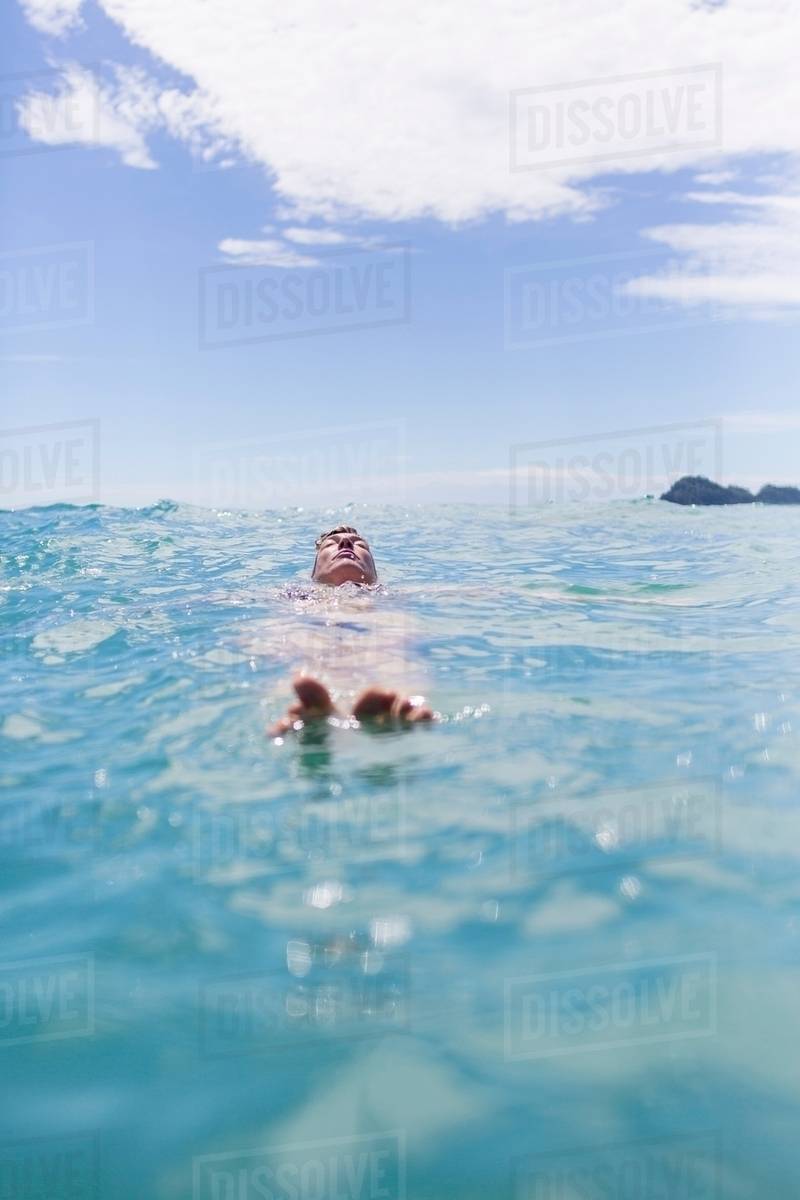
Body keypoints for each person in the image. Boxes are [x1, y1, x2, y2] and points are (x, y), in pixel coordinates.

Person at [269, 525, 434, 737]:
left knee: (392, 635)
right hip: (309, 635)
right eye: (331, 543)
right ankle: (316, 713)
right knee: (289, 639)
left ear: (375, 571)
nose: (346, 544)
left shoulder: (395, 597)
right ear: (313, 571)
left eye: (360, 545)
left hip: (382, 647)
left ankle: (387, 705)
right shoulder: (288, 597)